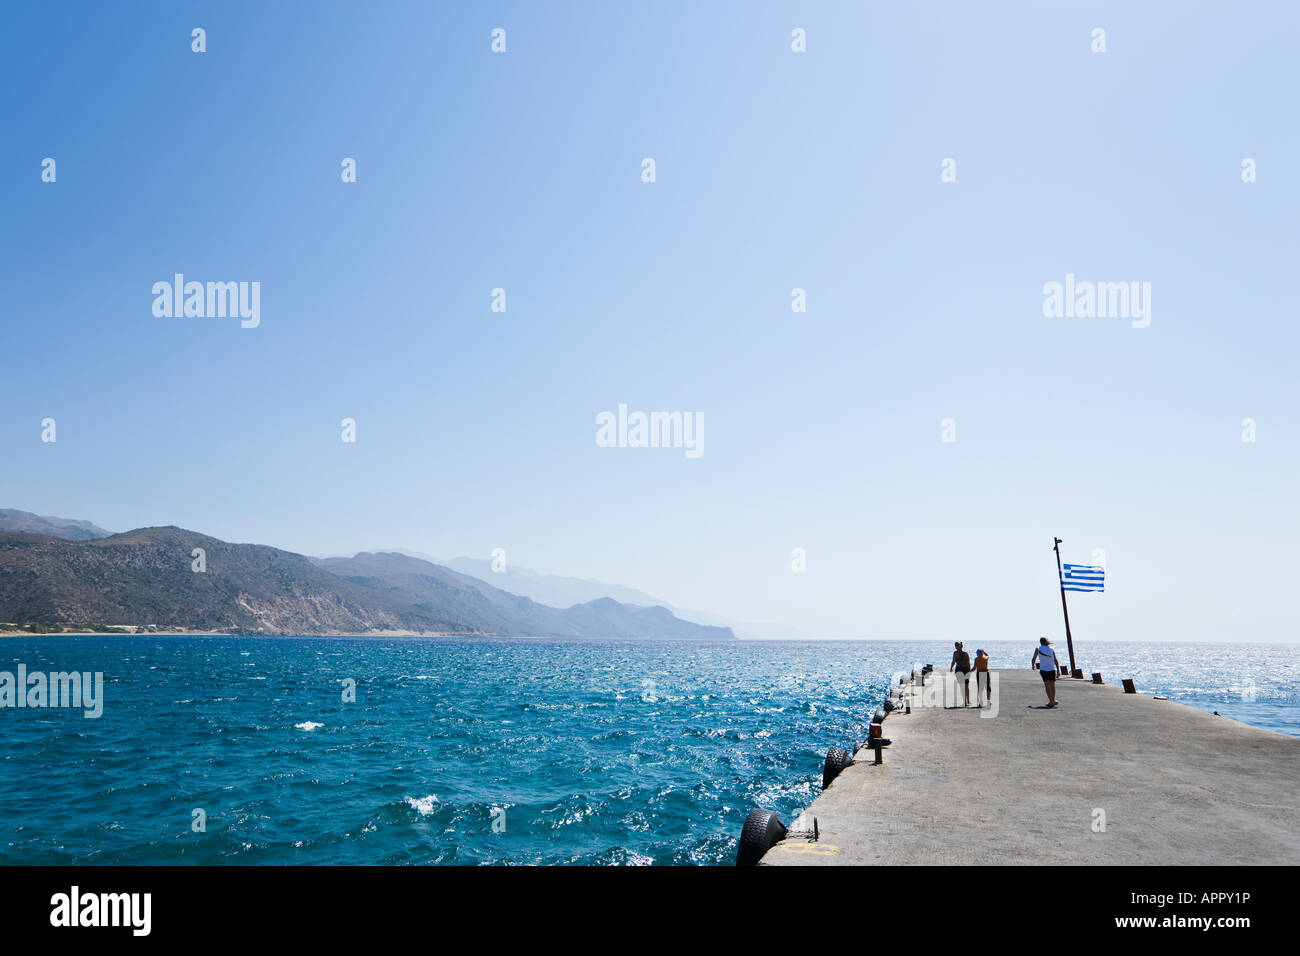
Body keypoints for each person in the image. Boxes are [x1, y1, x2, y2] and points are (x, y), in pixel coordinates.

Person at [1032, 637, 1059, 707]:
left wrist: (1033, 665)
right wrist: (1058, 670)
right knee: (1052, 685)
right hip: (1052, 669)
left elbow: (1034, 658)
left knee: (1047, 686)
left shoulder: (1038, 649)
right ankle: (1053, 700)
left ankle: (1051, 701)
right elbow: (1055, 660)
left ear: (1040, 642)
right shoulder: (1051, 650)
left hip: (1044, 670)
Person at [950, 641, 971, 707]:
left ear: (960, 646)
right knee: (964, 686)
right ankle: (965, 702)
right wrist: (951, 667)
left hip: (963, 669)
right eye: (955, 645)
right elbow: (953, 661)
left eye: (957, 645)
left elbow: (968, 663)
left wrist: (969, 671)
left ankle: (967, 701)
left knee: (965, 686)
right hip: (961, 669)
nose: (955, 646)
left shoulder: (962, 653)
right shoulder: (963, 653)